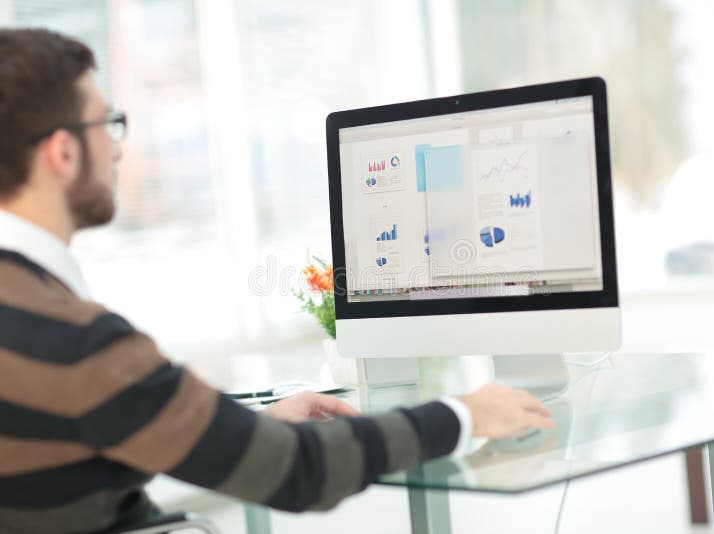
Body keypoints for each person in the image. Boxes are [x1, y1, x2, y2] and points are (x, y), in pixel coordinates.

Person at [0, 28, 555, 534]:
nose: (119, 148)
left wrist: (241, 430)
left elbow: (76, 449)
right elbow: (298, 471)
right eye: (107, 124)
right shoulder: (75, 344)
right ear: (64, 152)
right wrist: (463, 414)